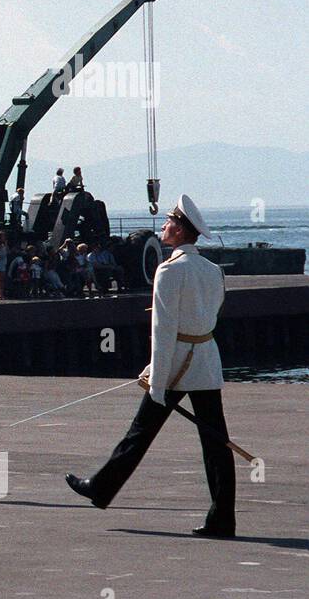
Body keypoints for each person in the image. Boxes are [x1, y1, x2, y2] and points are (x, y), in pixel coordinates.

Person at [66, 195, 236, 538]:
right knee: (216, 443)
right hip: (205, 361)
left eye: (168, 222)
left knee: (140, 433)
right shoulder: (212, 270)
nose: (163, 226)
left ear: (180, 229)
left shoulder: (170, 271)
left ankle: (100, 487)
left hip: (176, 366)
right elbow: (209, 317)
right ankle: (223, 518)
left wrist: (156, 380)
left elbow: (163, 331)